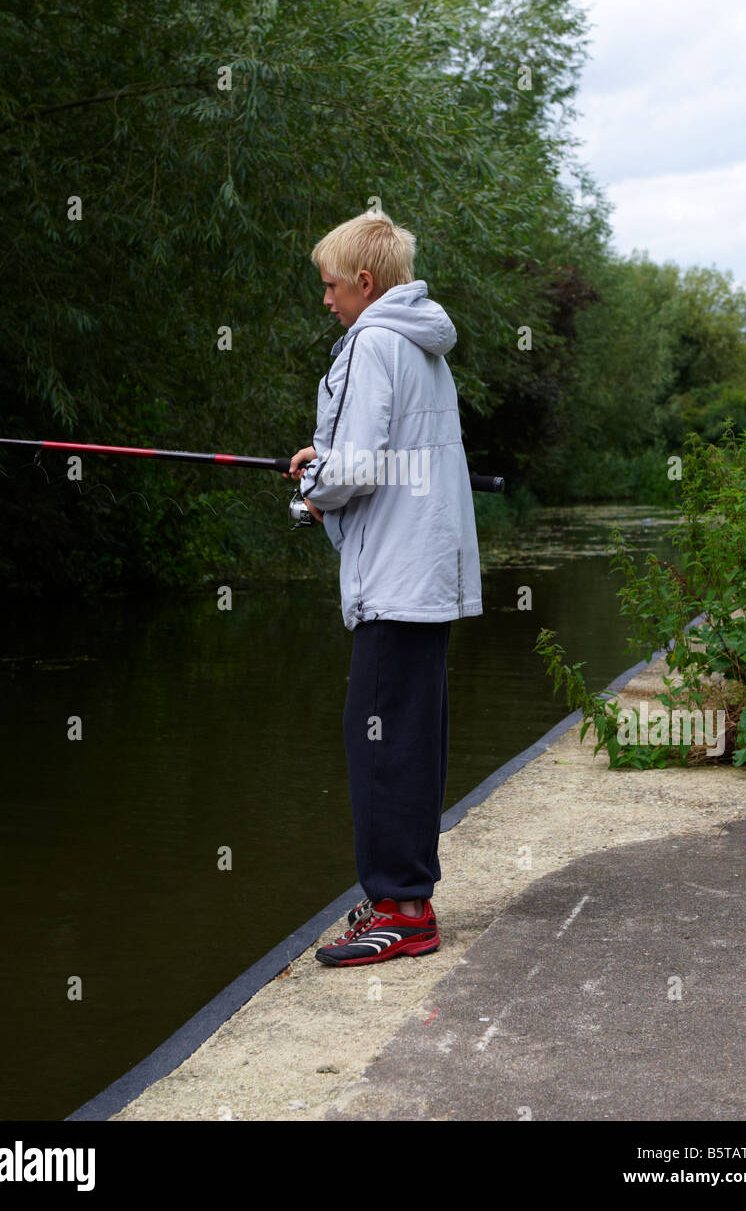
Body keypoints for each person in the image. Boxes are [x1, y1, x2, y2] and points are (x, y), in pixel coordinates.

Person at [285, 210, 482, 966]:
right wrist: (327, 460)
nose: (327, 300)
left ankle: (400, 912)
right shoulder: (422, 344)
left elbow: (361, 468)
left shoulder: (372, 342)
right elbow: (388, 455)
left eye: (331, 286)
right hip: (425, 575)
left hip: (395, 579)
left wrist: (313, 486)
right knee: (409, 738)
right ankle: (403, 901)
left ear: (364, 284)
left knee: (379, 743)